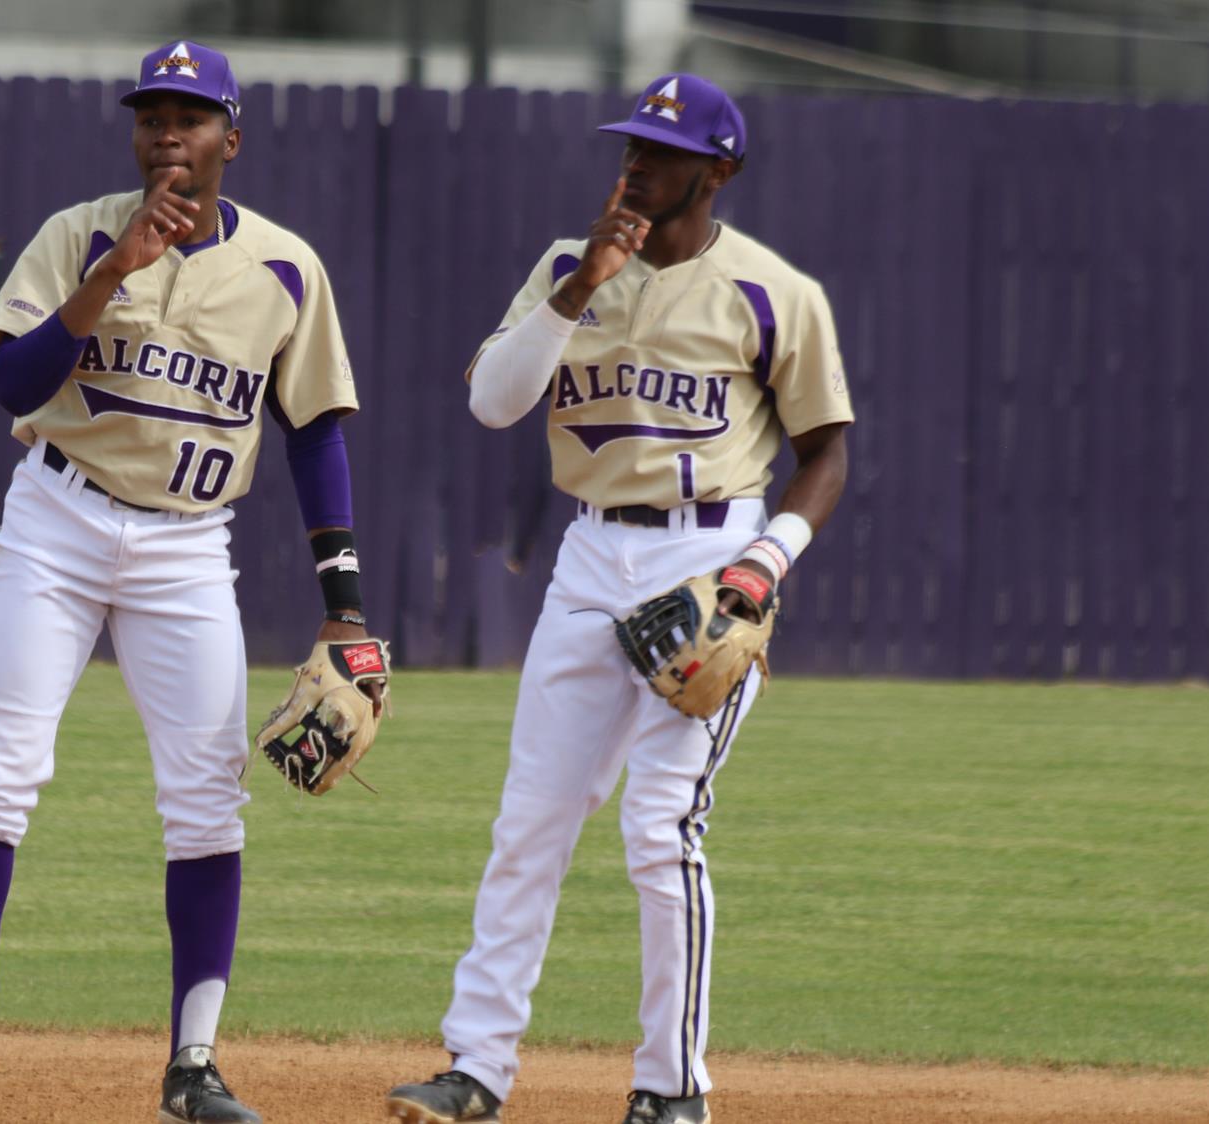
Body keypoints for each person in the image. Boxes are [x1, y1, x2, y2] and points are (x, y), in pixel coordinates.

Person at [0, 39, 374, 1124]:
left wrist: (342, 601)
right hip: (57, 520)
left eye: (189, 116)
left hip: (185, 547)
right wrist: (109, 272)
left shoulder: (286, 268)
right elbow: (10, 381)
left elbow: (312, 434)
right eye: (151, 115)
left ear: (229, 140)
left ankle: (193, 1066)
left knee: (208, 799)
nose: (167, 132)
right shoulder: (77, 234)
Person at [385, 74, 853, 1124]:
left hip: (711, 558)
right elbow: (492, 401)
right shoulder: (565, 266)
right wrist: (575, 285)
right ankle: (475, 1065)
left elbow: (825, 451)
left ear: (714, 171)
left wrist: (762, 564)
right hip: (591, 555)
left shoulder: (774, 291)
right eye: (630, 143)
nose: (634, 163)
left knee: (658, 824)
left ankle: (669, 1086)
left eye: (660, 150)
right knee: (530, 818)